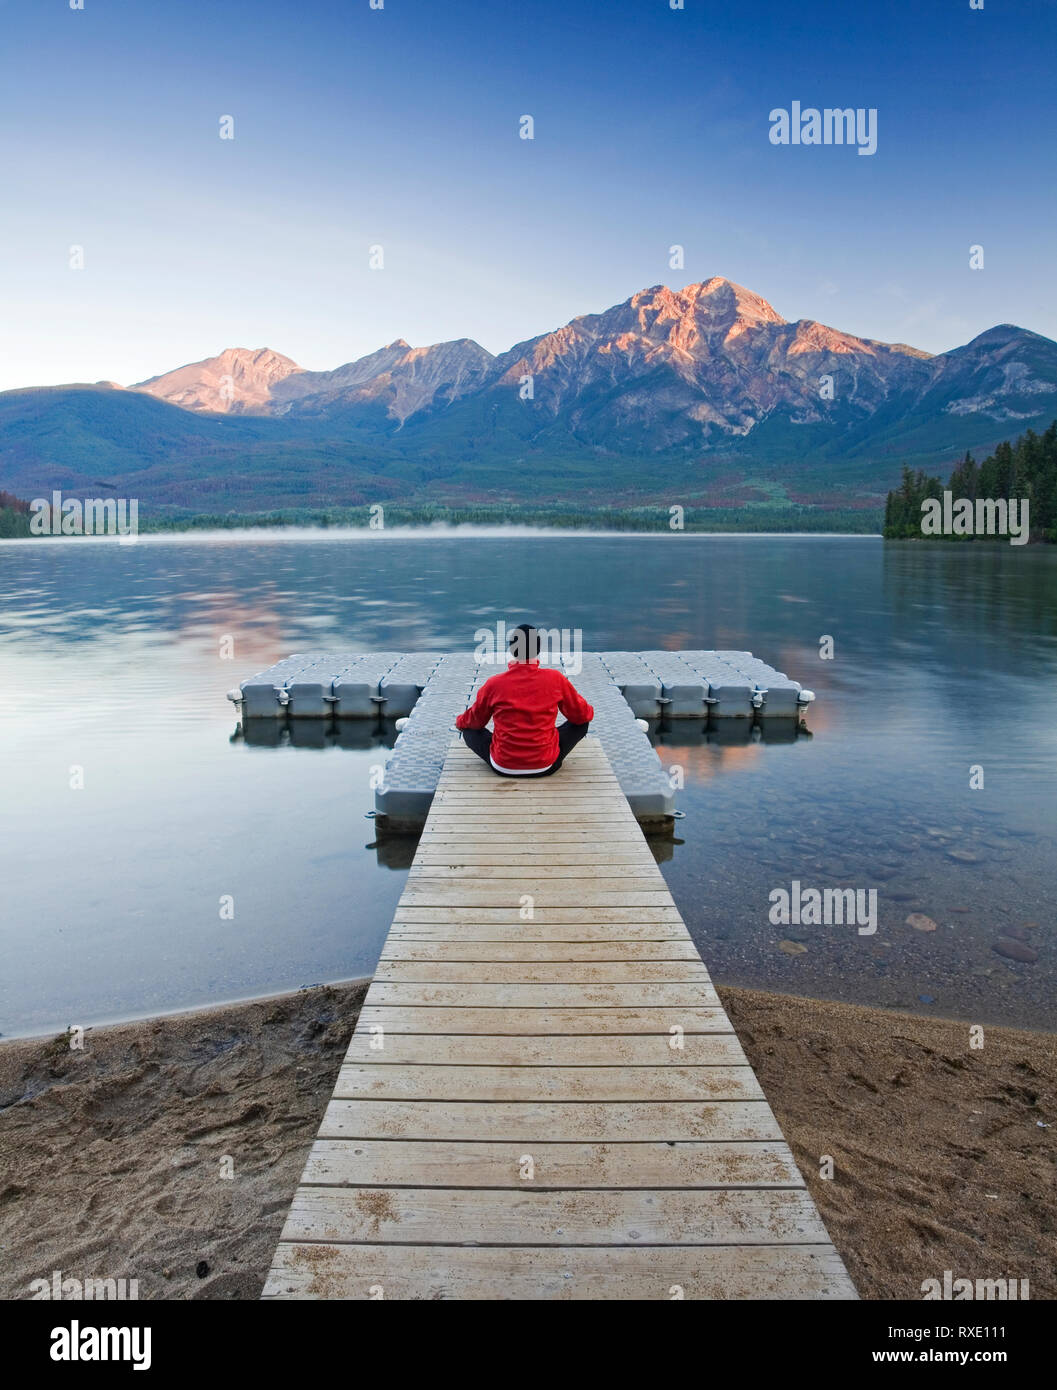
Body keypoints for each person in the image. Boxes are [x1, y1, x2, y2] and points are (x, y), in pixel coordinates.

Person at [455, 624, 594, 777]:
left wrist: (460, 722)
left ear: (512, 649)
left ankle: (508, 752)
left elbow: (475, 721)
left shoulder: (494, 684)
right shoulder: (555, 679)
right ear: (538, 649)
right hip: (545, 765)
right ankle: (544, 748)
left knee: (469, 729)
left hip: (503, 765)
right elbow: (582, 715)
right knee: (581, 724)